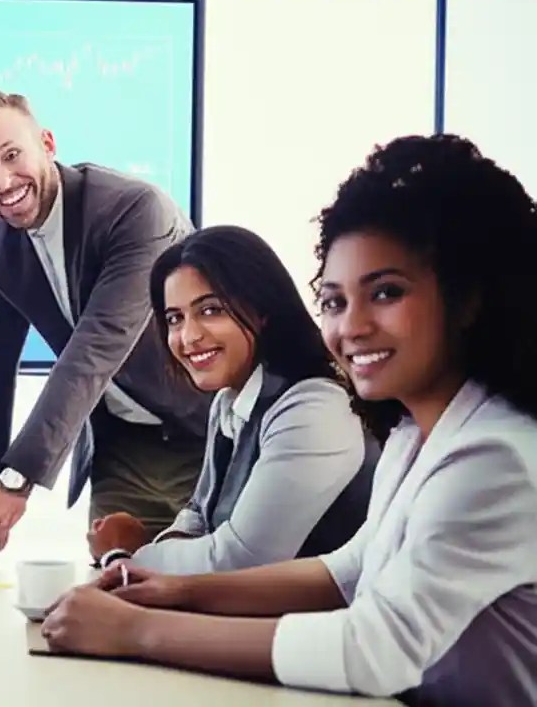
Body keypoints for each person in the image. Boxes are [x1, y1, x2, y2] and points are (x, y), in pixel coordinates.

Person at [40, 134, 537, 706]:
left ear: (469, 296)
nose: (351, 326)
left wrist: (136, 630)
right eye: (333, 301)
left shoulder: (493, 454)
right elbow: (346, 571)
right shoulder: (414, 436)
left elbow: (375, 649)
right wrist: (170, 590)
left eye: (386, 292)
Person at [0, 88, 212, 563]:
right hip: (124, 446)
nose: (1, 182)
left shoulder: (134, 210)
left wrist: (16, 479)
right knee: (116, 587)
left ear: (47, 144)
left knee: (215, 587)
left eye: (11, 155)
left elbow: (95, 348)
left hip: (208, 429)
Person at [87, 225, 384, 575]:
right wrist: (153, 552)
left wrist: (122, 558)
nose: (189, 336)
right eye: (175, 318)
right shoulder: (230, 399)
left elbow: (241, 560)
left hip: (315, 624)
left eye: (210, 310)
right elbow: (198, 515)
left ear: (262, 311)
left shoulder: (314, 409)